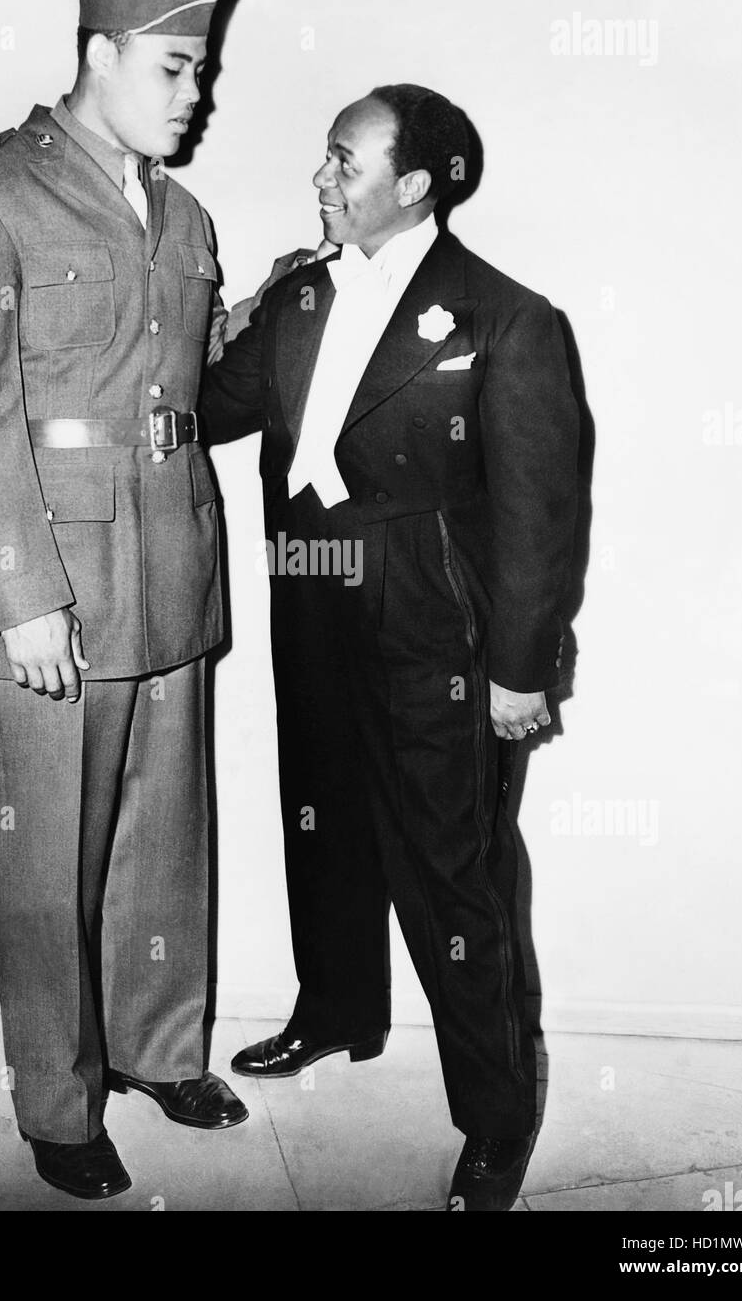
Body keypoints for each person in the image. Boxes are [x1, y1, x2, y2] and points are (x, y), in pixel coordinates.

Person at [0, 0, 247, 1202]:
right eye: (174, 68)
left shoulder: (184, 216)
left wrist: (281, 311)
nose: (195, 95)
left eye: (201, 72)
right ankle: (57, 1099)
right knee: (47, 855)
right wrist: (25, 596)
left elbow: (185, 376)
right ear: (100, 54)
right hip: (53, 577)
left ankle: (159, 1049)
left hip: (172, 562)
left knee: (165, 836)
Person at [200, 84, 579, 1211]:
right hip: (311, 591)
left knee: (453, 871)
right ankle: (335, 1010)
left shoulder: (506, 318)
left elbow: (541, 516)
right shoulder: (301, 293)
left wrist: (517, 668)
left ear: (413, 184)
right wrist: (221, 306)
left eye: (343, 160)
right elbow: (213, 408)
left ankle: (496, 1119)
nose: (321, 177)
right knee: (319, 816)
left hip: (432, 617)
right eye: (325, 157)